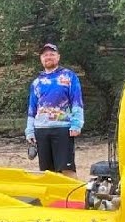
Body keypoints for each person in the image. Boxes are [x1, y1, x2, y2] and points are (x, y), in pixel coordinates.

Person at [24, 43, 84, 178]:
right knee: (47, 172)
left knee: (66, 169)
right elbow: (32, 109)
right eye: (45, 55)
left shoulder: (69, 76)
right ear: (41, 59)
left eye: (52, 54)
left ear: (58, 57)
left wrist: (77, 124)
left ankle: (74, 197)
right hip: (41, 129)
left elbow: (77, 101)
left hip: (62, 128)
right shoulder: (36, 82)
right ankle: (53, 198)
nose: (48, 57)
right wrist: (29, 130)